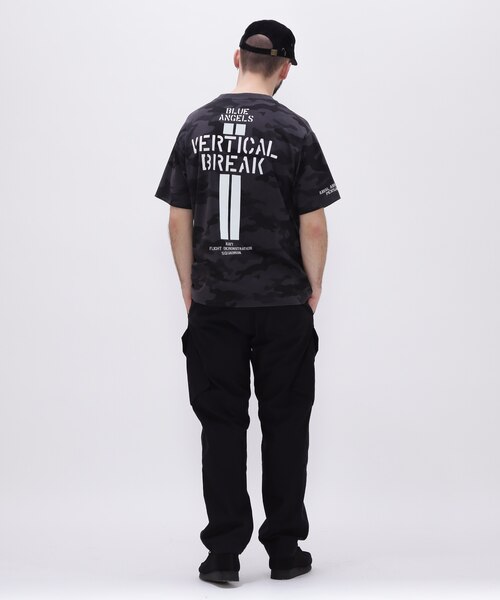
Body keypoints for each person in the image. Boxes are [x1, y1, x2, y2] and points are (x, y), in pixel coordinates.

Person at [154, 18, 341, 583]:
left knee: (221, 425)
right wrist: (313, 288)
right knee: (286, 423)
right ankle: (284, 550)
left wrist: (189, 287)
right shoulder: (294, 131)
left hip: (215, 303)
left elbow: (178, 218)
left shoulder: (195, 126)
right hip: (283, 305)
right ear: (284, 69)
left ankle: (222, 554)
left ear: (236, 58)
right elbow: (314, 224)